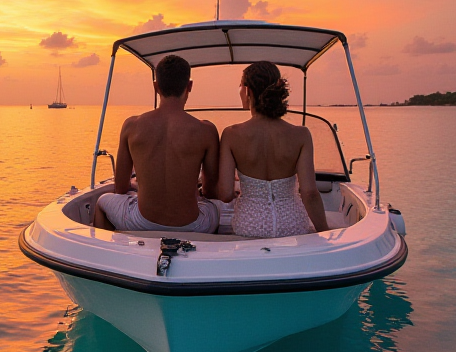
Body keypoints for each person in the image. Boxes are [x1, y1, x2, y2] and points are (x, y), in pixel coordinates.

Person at [93, 54, 221, 233]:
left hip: (141, 222)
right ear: (189, 86)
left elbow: (120, 188)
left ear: (156, 87)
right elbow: (210, 192)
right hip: (193, 226)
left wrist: (139, 185)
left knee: (102, 201)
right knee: (214, 208)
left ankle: (114, 248)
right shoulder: (206, 130)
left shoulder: (132, 126)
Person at [214, 61, 329, 237]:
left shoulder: (231, 134)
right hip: (292, 224)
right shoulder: (301, 134)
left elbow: (225, 194)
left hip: (249, 225)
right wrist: (325, 232)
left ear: (247, 91)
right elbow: (310, 193)